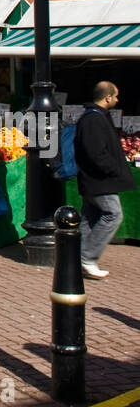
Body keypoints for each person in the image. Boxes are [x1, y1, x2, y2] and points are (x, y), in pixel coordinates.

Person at [73, 81, 134, 280]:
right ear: (107, 97)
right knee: (112, 214)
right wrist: (113, 169)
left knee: (90, 217)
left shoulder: (94, 117)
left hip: (94, 179)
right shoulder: (93, 119)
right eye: (115, 96)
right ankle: (87, 258)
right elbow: (95, 152)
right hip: (99, 180)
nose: (117, 100)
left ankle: (76, 258)